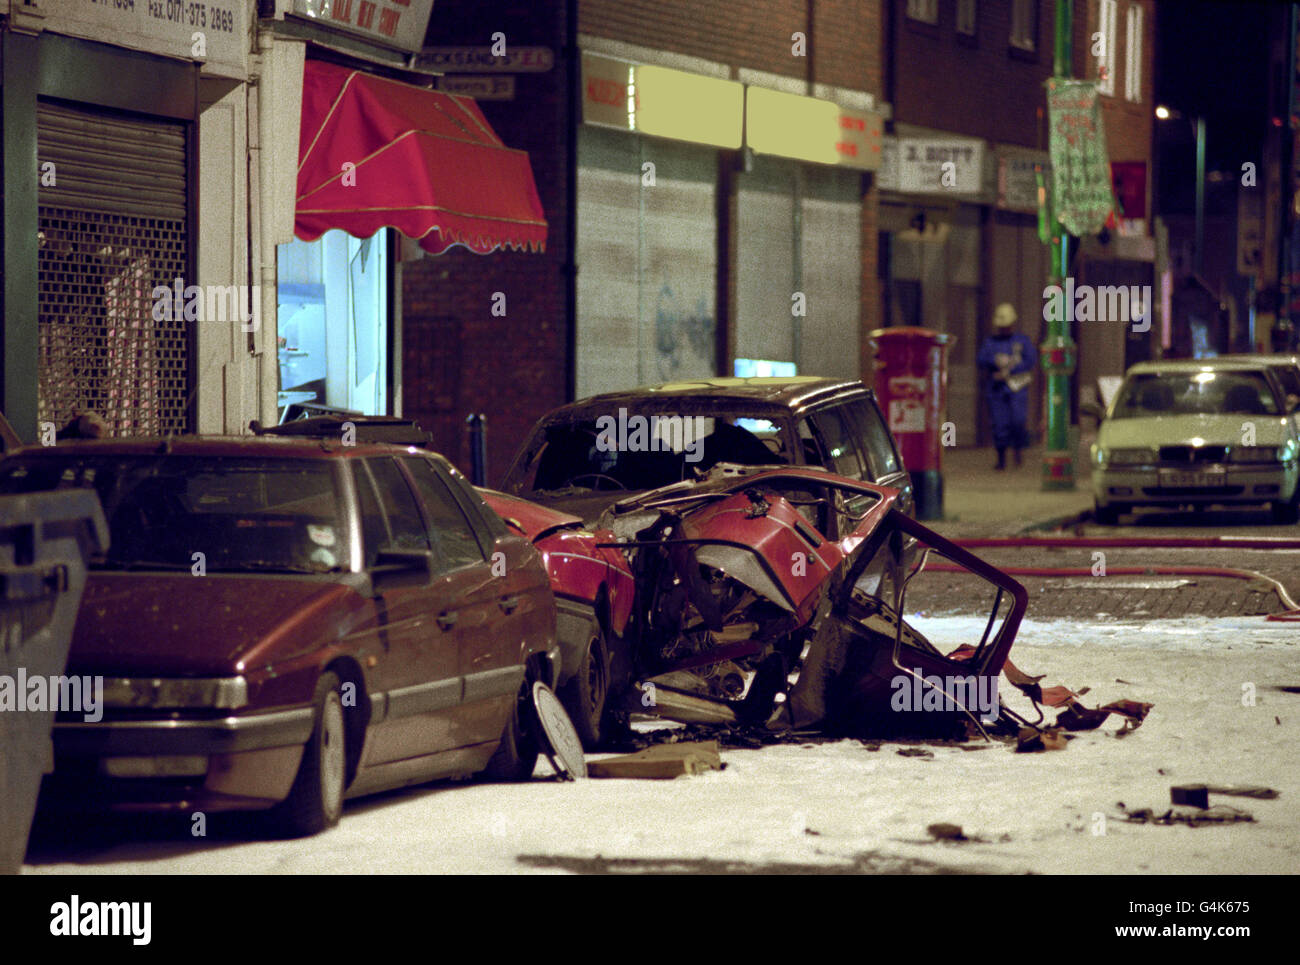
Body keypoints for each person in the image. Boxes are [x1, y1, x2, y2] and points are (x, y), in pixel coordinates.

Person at [977, 303, 1035, 470]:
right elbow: (981, 359)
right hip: (997, 388)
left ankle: (1018, 452)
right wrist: (994, 362)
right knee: (999, 423)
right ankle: (1001, 458)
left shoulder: (1021, 341)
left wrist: (1013, 367)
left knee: (1018, 421)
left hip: (1017, 387)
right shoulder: (990, 342)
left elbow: (1030, 359)